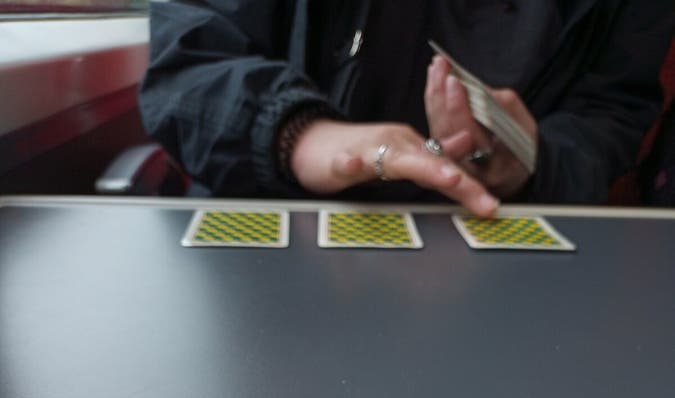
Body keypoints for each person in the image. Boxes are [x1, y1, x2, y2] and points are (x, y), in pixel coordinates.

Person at [139, 1, 674, 215]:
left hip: (508, 248)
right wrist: (297, 135)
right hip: (272, 226)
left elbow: (614, 107)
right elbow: (188, 61)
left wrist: (538, 161)